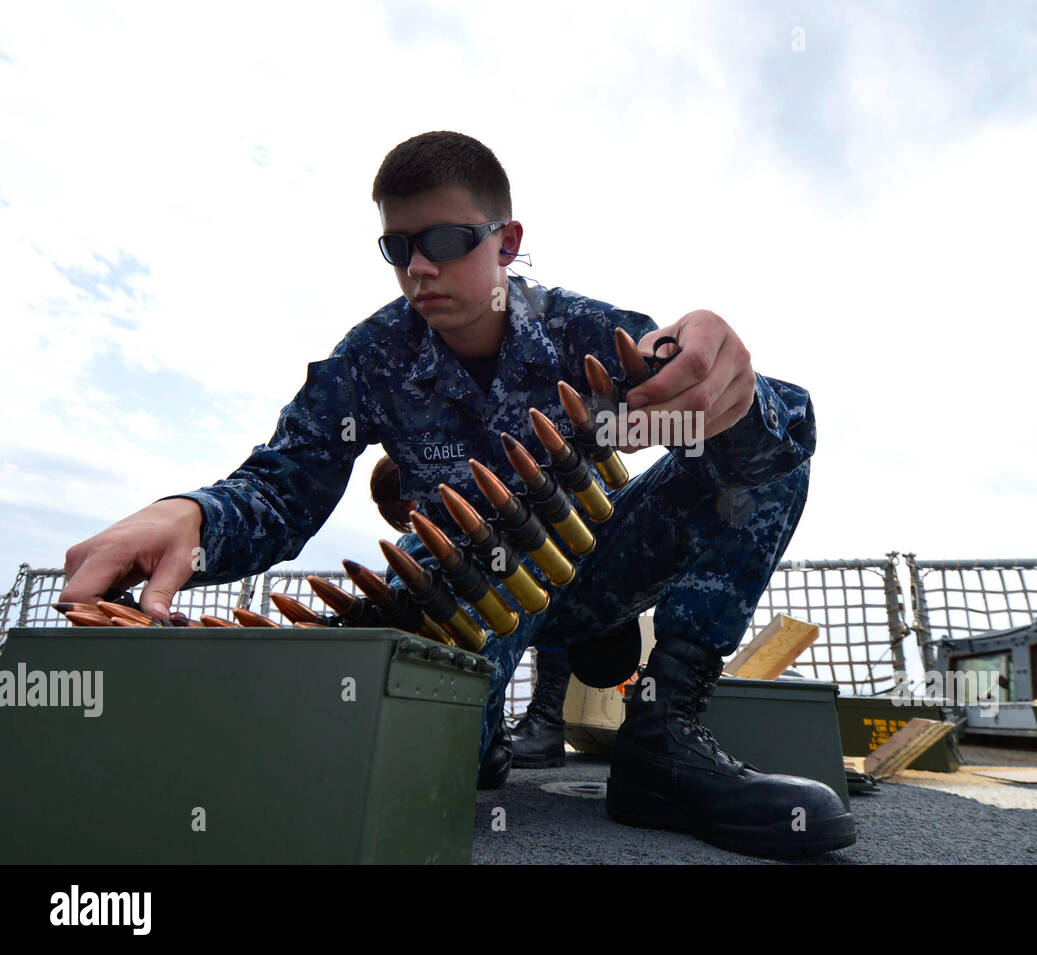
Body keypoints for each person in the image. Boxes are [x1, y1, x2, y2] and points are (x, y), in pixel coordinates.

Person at [60, 131, 855, 857]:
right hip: (471, 598)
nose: (419, 268)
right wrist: (190, 514)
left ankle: (664, 733)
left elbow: (701, 414)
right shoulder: (372, 357)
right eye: (398, 246)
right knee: (433, 759)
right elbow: (282, 490)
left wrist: (731, 391)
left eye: (445, 240)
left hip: (589, 563)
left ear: (506, 242)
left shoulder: (581, 330)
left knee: (767, 444)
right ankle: (489, 734)